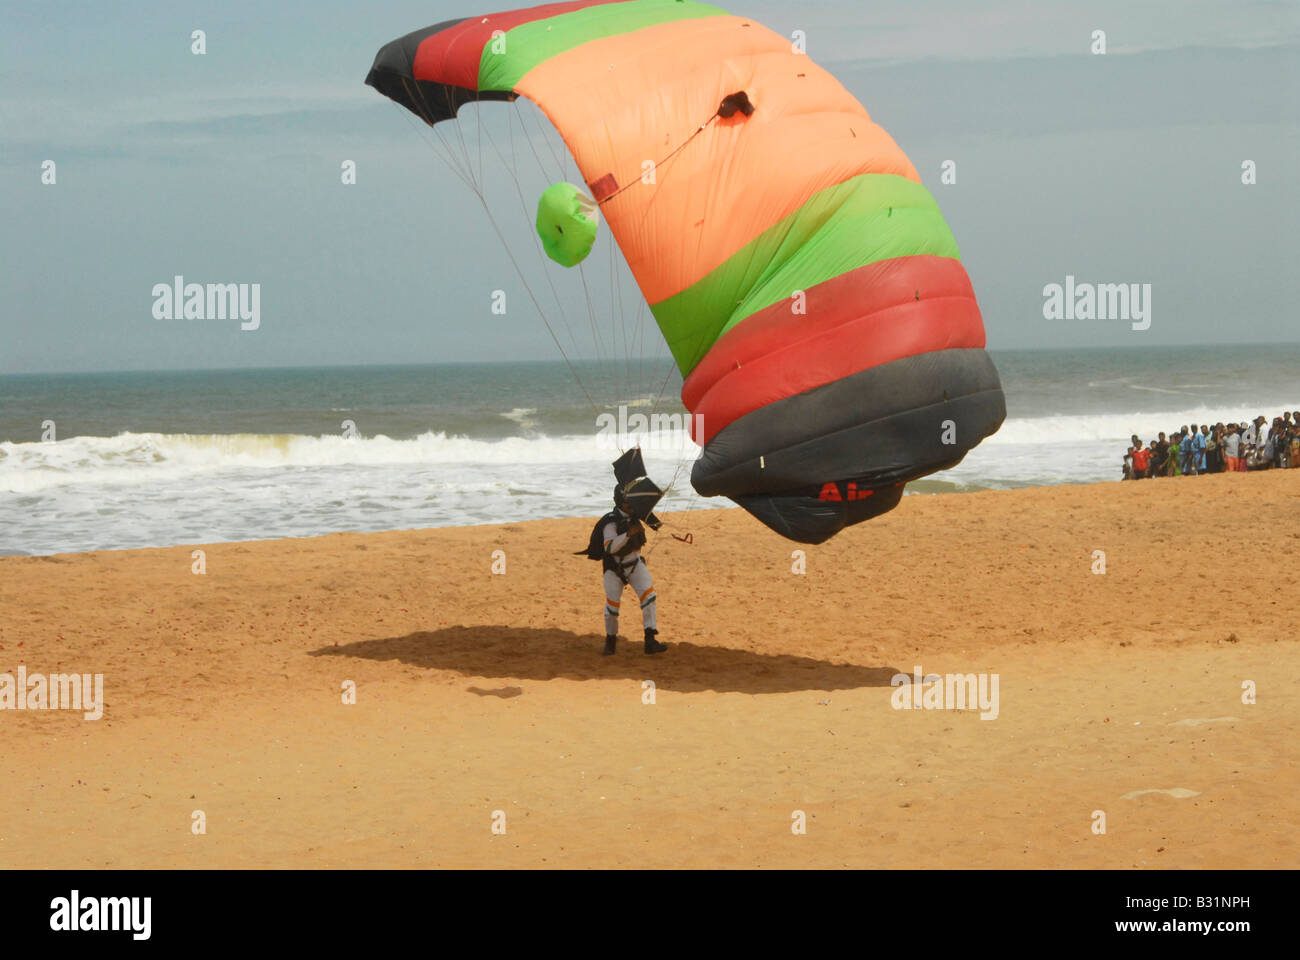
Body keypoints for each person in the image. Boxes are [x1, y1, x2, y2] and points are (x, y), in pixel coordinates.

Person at [595, 484, 666, 656]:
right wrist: (628, 534)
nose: (630, 505)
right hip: (614, 568)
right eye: (627, 502)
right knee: (612, 607)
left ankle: (650, 639)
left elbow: (655, 522)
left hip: (634, 564)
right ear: (619, 502)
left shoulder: (636, 515)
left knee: (649, 597)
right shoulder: (610, 522)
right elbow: (610, 547)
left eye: (631, 501)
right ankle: (610, 640)